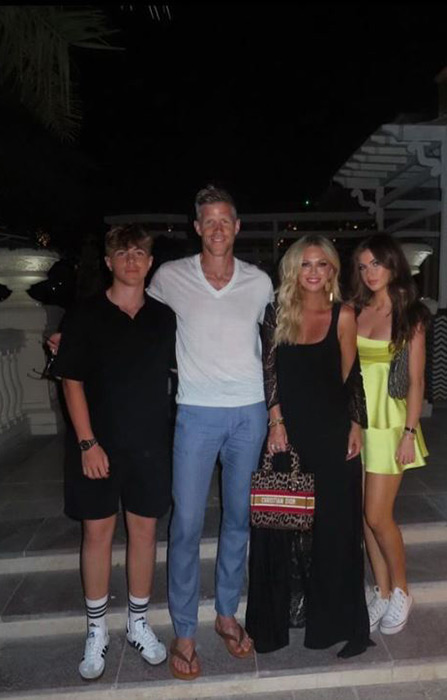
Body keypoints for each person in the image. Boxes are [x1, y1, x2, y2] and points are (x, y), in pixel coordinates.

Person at [147, 185, 274, 680]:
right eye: (209, 221)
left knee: (239, 518)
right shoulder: (169, 276)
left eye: (226, 220)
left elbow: (280, 339)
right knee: (185, 523)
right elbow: (136, 316)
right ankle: (184, 629)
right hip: (196, 414)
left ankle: (225, 613)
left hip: (249, 412)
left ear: (236, 227)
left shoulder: (259, 282)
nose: (218, 228)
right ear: (197, 227)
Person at [51, 224, 176, 680]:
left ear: (150, 261)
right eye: (122, 253)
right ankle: (97, 629)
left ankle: (138, 623)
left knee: (145, 533)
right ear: (108, 262)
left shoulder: (164, 317)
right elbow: (71, 380)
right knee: (98, 533)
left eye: (139, 253)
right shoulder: (85, 315)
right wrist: (87, 442)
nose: (131, 260)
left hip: (150, 446)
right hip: (96, 447)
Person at [245, 235, 371, 658]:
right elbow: (269, 373)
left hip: (332, 434)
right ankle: (274, 625)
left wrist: (357, 425)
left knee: (336, 530)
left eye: (322, 264)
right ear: (293, 269)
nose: (313, 272)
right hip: (287, 433)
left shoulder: (344, 314)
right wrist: (275, 422)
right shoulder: (276, 313)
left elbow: (352, 377)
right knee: (279, 526)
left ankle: (340, 625)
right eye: (305, 264)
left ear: (332, 270)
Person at [352, 233, 430, 636]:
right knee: (364, 516)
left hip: (391, 423)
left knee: (378, 515)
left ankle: (402, 589)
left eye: (376, 264)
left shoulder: (410, 314)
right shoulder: (355, 309)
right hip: (357, 422)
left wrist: (409, 433)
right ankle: (381, 591)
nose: (370, 273)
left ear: (392, 264)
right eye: (363, 266)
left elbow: (416, 381)